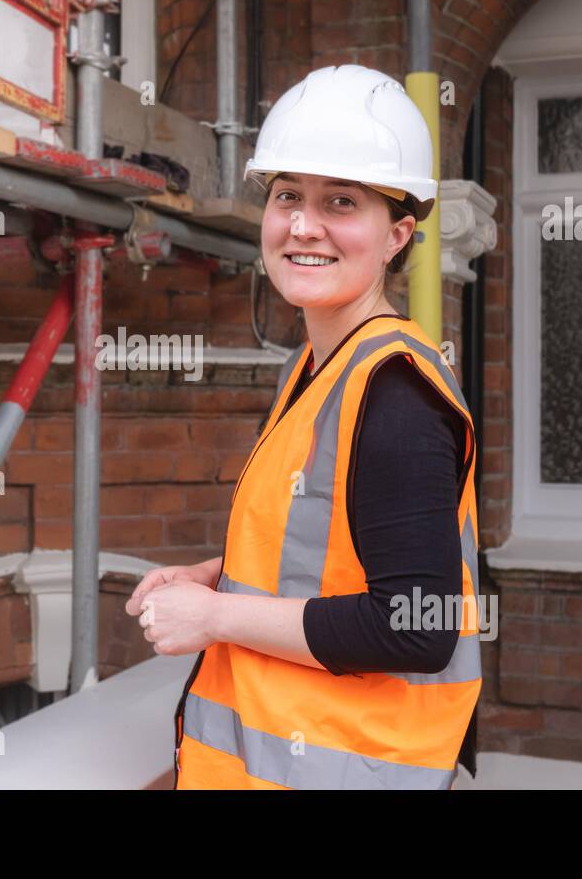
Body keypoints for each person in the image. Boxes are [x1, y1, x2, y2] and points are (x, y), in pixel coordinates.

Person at [124, 65, 481, 790]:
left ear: (397, 235)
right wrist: (216, 580)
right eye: (288, 196)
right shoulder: (314, 367)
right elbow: (320, 551)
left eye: (341, 202)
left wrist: (217, 618)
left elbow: (415, 625)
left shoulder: (397, 396)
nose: (303, 226)